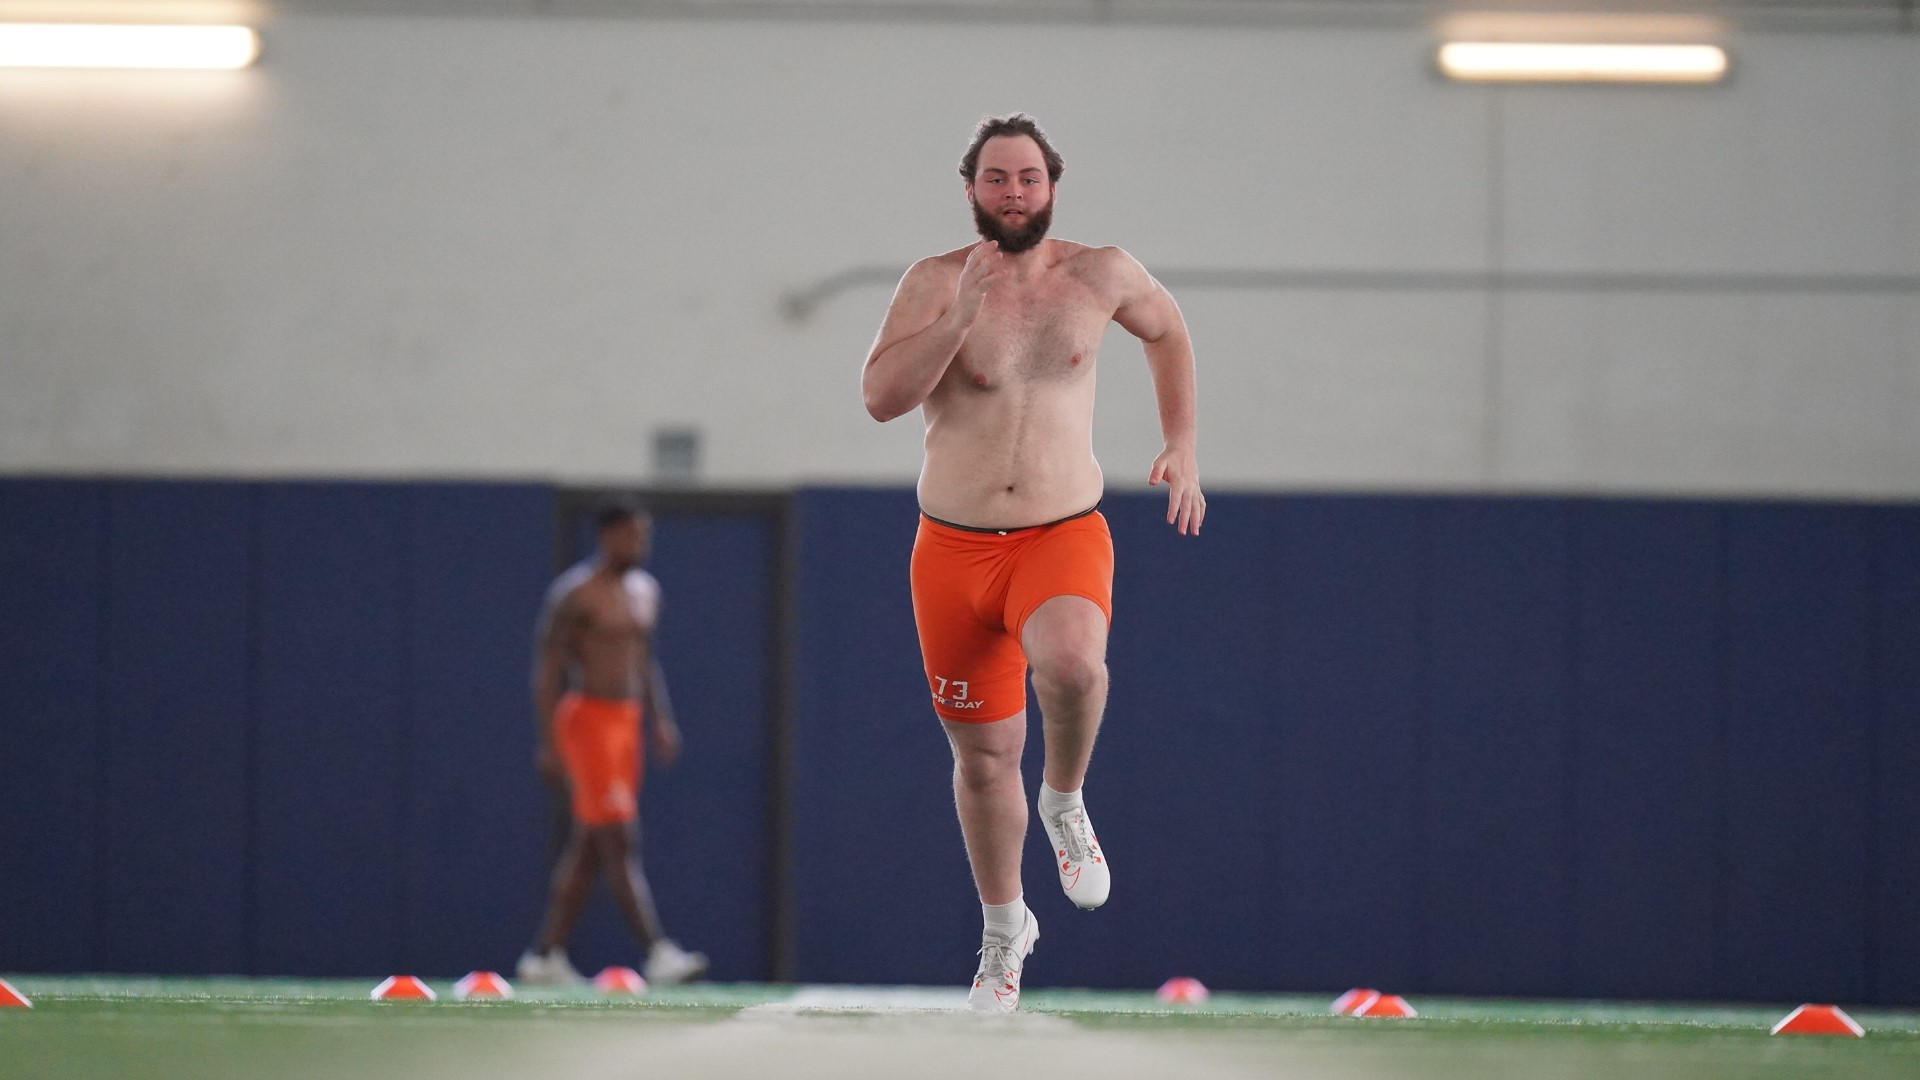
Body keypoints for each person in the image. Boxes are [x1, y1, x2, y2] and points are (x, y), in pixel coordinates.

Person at [860, 114, 1206, 1012]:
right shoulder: (934, 282)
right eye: (995, 180)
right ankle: (1005, 932)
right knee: (983, 760)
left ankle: (1066, 798)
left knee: (1072, 666)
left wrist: (1182, 445)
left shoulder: (1100, 274)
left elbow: (1167, 331)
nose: (1013, 194)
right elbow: (881, 398)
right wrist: (963, 313)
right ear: (970, 189)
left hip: (1060, 531)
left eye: (1028, 179)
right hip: (953, 551)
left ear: (1053, 186)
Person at [516, 504, 709, 987]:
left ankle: (544, 956)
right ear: (606, 536)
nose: (638, 545)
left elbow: (644, 661)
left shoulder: (646, 592)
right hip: (588, 720)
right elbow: (548, 669)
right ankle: (657, 952)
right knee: (619, 838)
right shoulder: (577, 594)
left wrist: (660, 719)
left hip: (627, 722)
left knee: (589, 845)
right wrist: (546, 742)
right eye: (629, 536)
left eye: (643, 536)